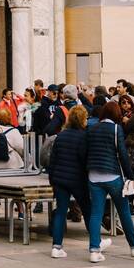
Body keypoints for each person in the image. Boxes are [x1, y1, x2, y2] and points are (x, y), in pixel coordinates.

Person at [86, 100, 134, 263]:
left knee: (95, 213)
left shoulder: (91, 128)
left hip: (94, 176)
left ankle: (94, 249)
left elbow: (86, 151)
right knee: (123, 211)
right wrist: (131, 177)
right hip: (112, 175)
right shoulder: (116, 129)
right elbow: (122, 154)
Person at [47, 104, 109, 258]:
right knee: (87, 211)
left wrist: (52, 180)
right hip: (77, 179)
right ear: (82, 119)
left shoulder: (60, 135)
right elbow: (85, 160)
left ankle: (56, 246)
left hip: (60, 179)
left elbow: (52, 160)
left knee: (61, 211)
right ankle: (96, 242)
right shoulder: (84, 136)